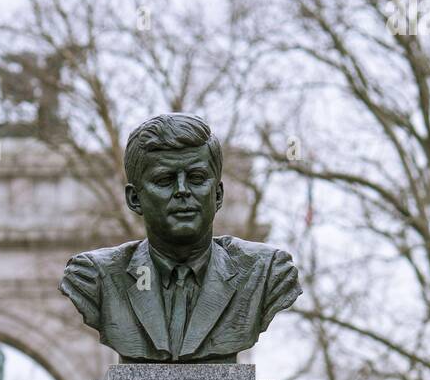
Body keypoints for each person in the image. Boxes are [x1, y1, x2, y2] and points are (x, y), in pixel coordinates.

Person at [59, 112, 301, 363]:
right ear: (134, 198)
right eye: (165, 180)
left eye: (196, 179)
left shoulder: (266, 271)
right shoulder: (95, 277)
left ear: (218, 195)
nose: (182, 191)